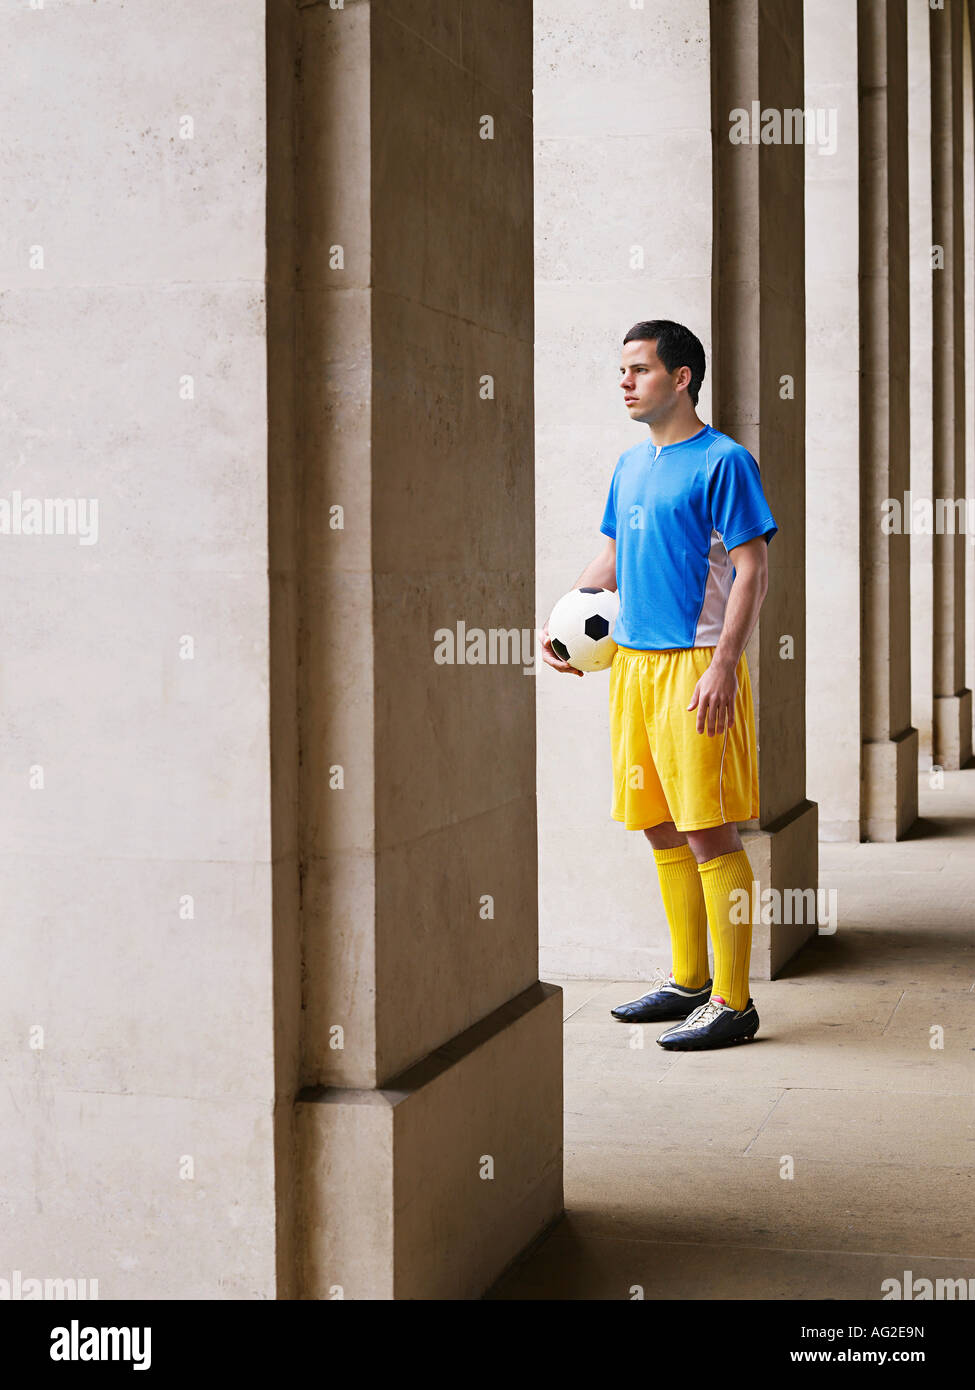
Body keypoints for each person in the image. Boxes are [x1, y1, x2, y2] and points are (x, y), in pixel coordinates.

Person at [541, 319, 777, 1050]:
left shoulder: (724, 461)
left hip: (693, 665)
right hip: (633, 667)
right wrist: (560, 625)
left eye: (638, 369)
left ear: (681, 378)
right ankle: (688, 982)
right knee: (655, 822)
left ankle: (734, 1003)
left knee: (708, 827)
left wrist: (723, 666)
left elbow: (751, 569)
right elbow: (608, 557)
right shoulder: (629, 465)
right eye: (621, 370)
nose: (624, 381)